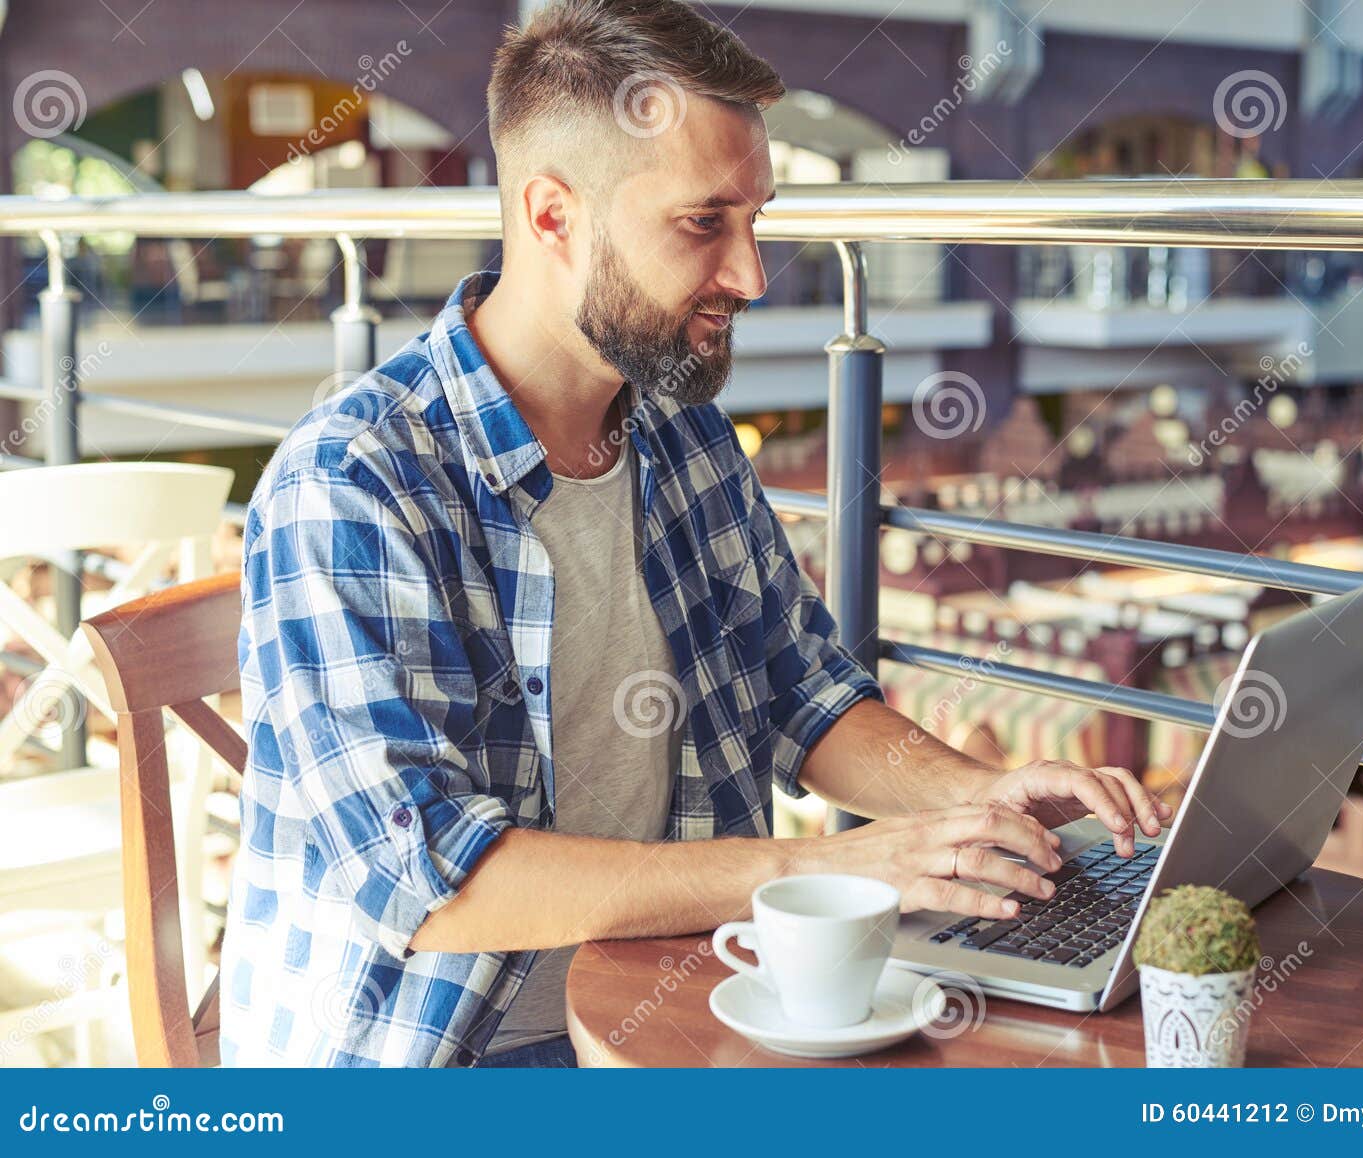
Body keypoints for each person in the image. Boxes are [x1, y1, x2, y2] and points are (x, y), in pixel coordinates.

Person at [220, 0, 1170, 1068]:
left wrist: (970, 797)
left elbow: (801, 692)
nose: (752, 275)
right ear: (550, 217)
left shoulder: (682, 433)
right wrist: (835, 874)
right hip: (434, 1061)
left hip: (674, 1005)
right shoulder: (354, 482)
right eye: (702, 223)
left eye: (755, 218)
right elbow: (435, 881)